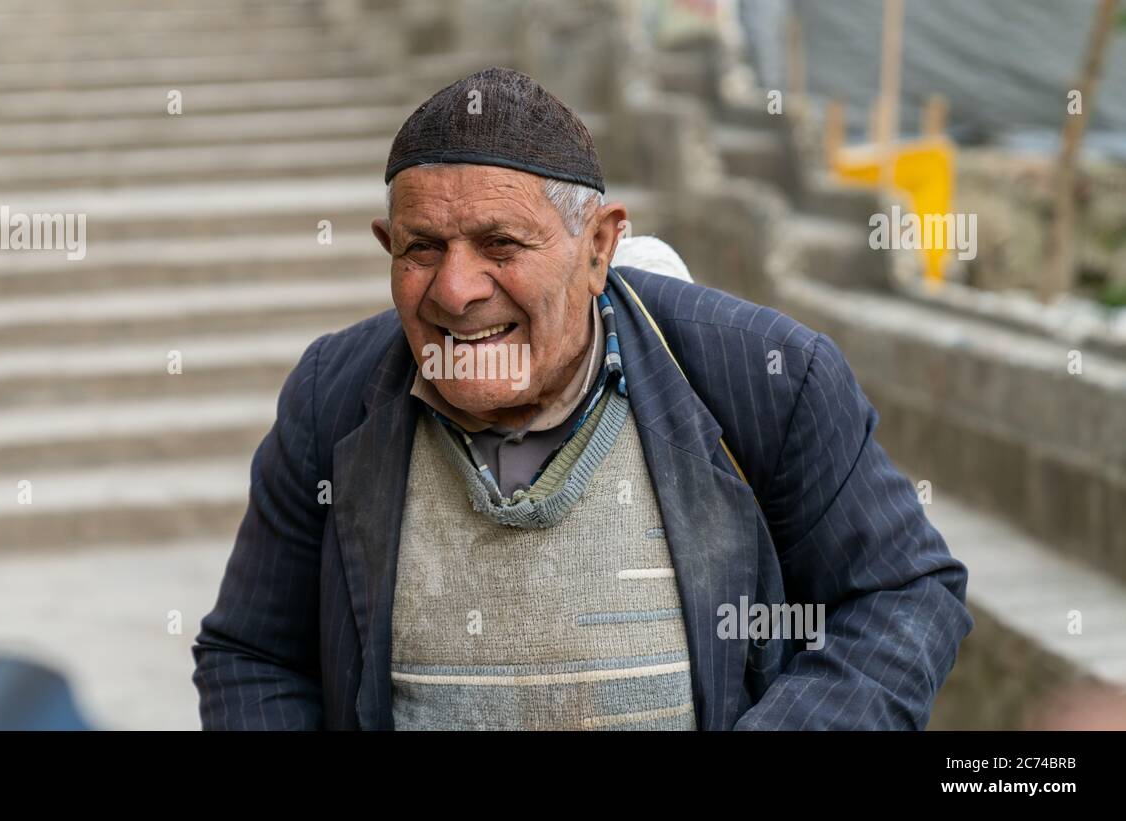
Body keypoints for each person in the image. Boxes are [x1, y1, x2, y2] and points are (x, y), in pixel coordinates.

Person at [192, 66, 972, 730]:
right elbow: (252, 653)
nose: (457, 291)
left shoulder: (766, 374)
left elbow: (902, 592)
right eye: (420, 248)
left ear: (599, 247)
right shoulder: (334, 396)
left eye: (501, 245)